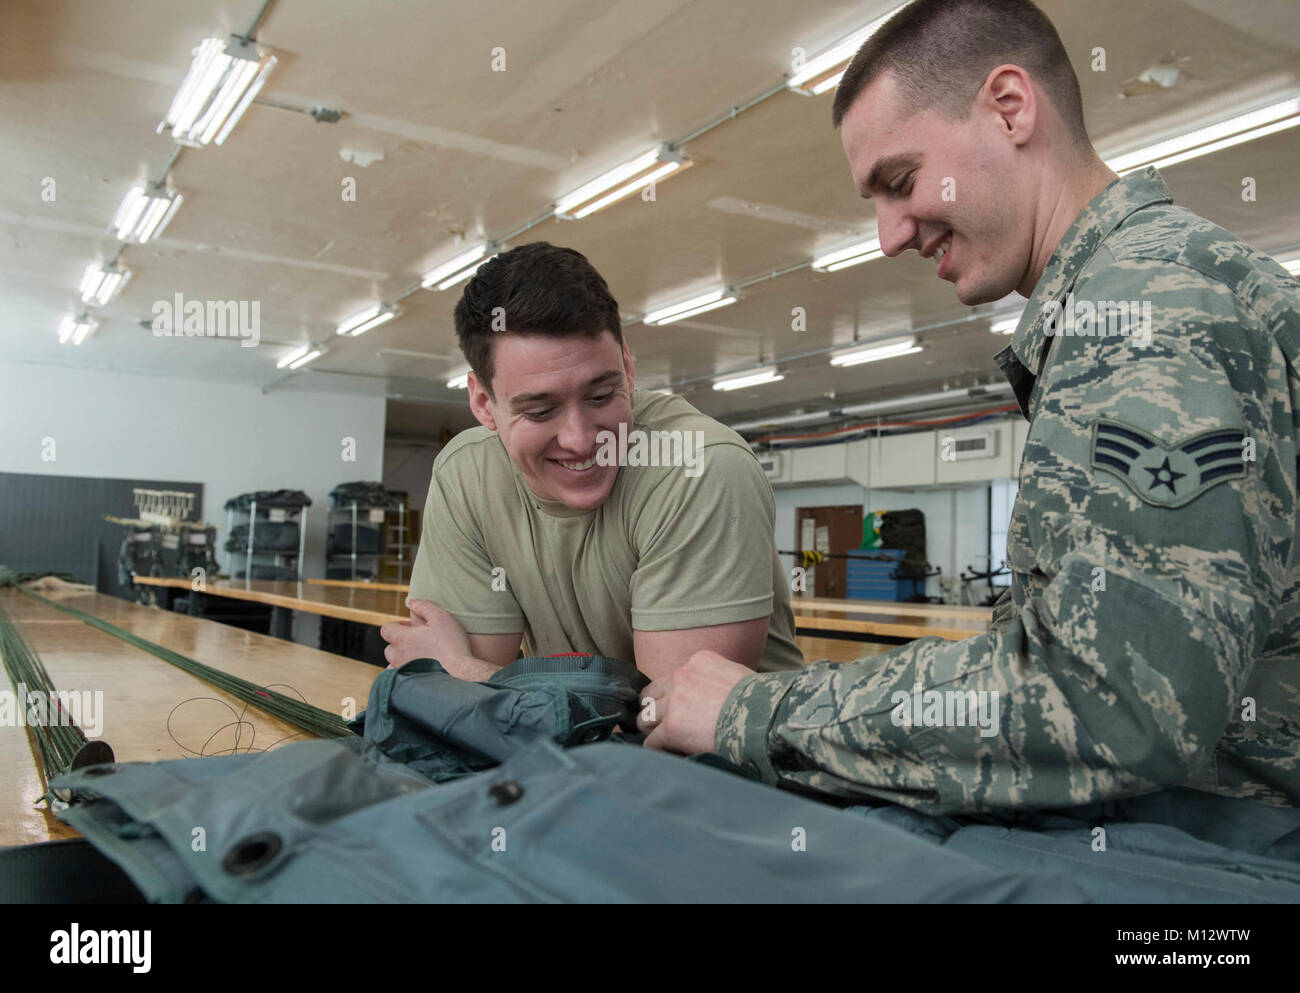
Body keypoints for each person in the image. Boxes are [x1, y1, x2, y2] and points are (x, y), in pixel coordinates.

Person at [638, 0, 1300, 812]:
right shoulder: (1163, 285)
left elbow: (1116, 703)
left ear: (1010, 108)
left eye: (900, 180)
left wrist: (756, 713)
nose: (887, 235)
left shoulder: (1140, 310)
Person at [382, 242, 804, 681]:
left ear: (628, 367)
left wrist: (461, 667)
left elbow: (671, 724)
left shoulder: (699, 467)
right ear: (483, 402)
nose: (582, 441)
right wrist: (469, 681)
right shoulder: (466, 475)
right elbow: (453, 705)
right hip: (555, 748)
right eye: (540, 411)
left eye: (601, 396)